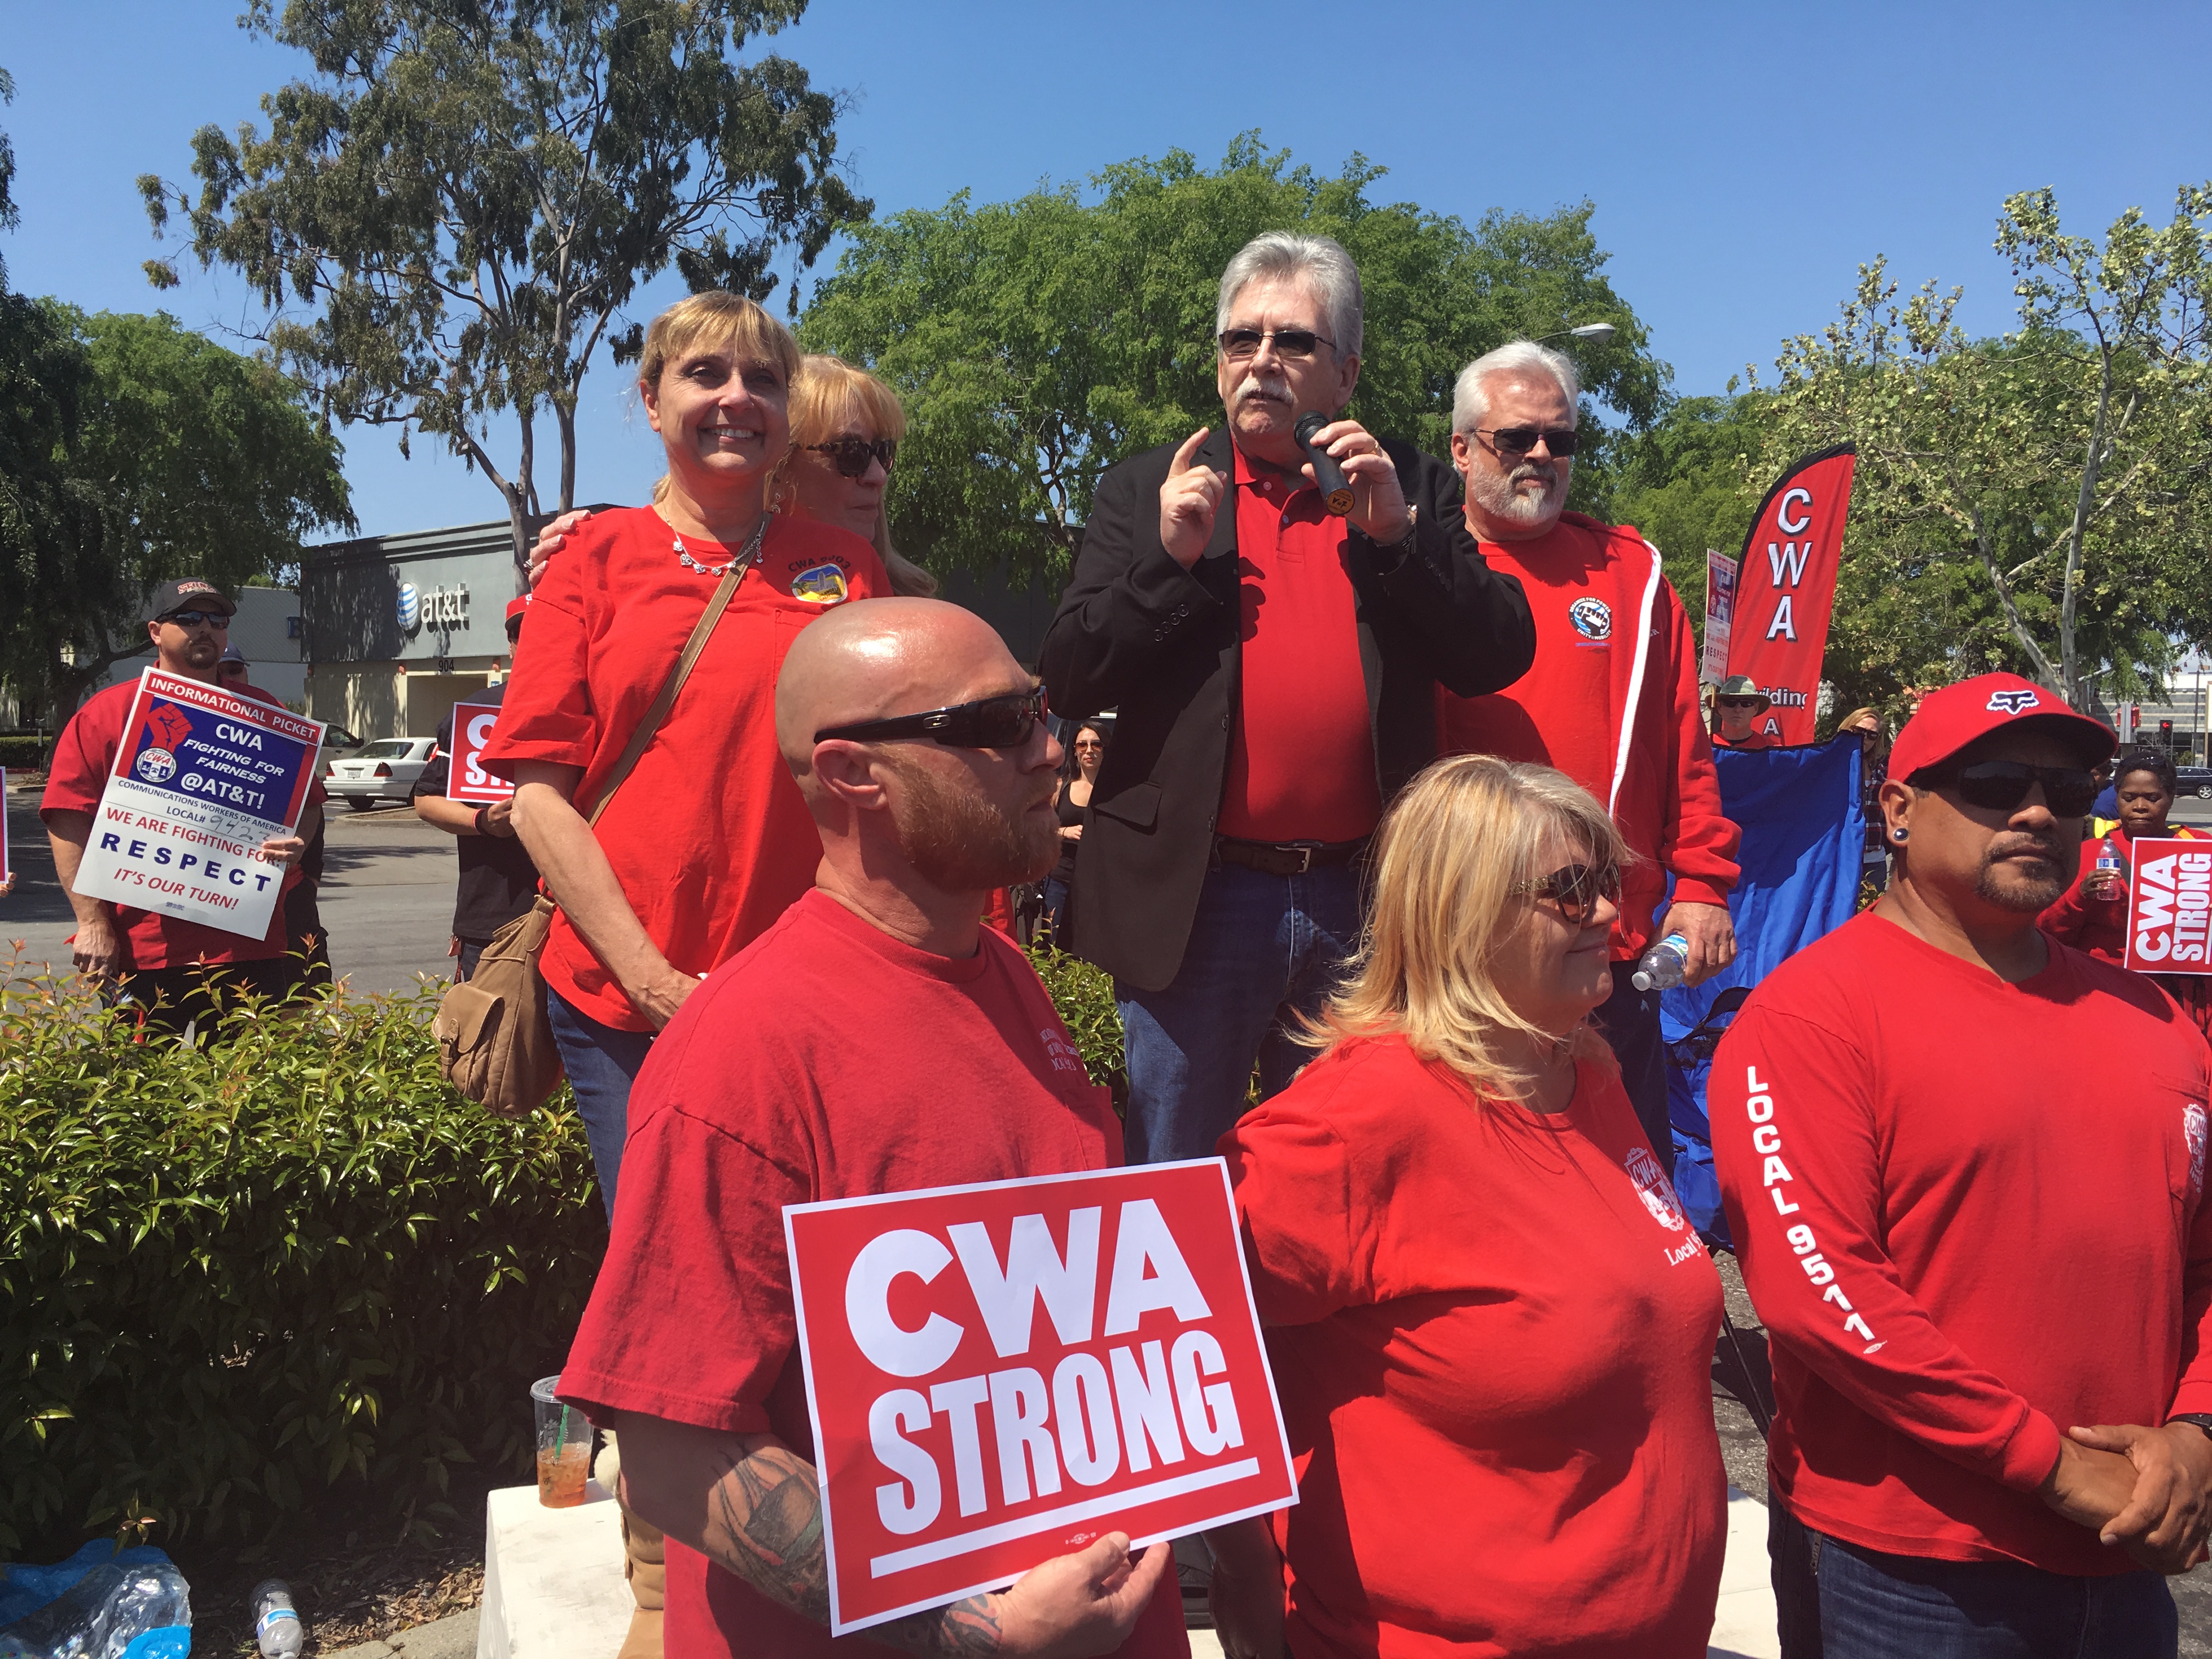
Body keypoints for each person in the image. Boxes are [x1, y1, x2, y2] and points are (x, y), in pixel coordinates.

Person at [555, 597, 1183, 1659]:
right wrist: (974, 1628)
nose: (1049, 750)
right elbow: (668, 1452)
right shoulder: (742, 1054)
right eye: (997, 725)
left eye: (1043, 709)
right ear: (853, 775)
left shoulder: (1011, 977)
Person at [1709, 673, 2212, 1657]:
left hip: (2131, 1541)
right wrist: (2053, 1465)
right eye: (1990, 781)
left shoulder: (2153, 1018)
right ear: (1896, 809)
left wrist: (2197, 1429)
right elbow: (1825, 1297)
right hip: (1906, 1568)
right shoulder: (1808, 1019)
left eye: (2070, 790)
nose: (2035, 810)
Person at [1206, 754, 1728, 1657]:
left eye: (1610, 879)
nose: (1609, 912)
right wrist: (1250, 1586)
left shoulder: (1582, 1067)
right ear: (1460, 909)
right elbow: (1181, 1360)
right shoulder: (1351, 1123)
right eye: (1570, 889)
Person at [1040, 231, 1537, 1166]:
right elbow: (1069, 672)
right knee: (1174, 1165)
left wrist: (1395, 539)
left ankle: (1300, 1321)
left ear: (1345, 374)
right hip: (1200, 901)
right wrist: (1167, 559)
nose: (1262, 360)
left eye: (1294, 342)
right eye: (1241, 339)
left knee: (1345, 1165)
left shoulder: (1413, 486)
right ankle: (1182, 1319)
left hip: (1361, 895)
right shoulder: (1146, 486)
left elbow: (1494, 654)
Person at [481, 292, 891, 1217]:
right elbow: (540, 801)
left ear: (788, 416)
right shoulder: (588, 560)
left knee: (821, 1264)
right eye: (706, 372)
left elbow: (881, 779)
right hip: (626, 1001)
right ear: (652, 400)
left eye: (764, 379)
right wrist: (658, 984)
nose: (737, 397)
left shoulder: (842, 565)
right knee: (677, 1265)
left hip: (809, 993)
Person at [1432, 340, 1740, 1158]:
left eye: (1560, 440)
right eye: (1516, 438)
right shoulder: (1416, 568)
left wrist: (1704, 883)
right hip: (1460, 954)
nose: (1541, 455)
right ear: (1461, 450)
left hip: (1605, 956)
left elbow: (1685, 746)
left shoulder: (1631, 575)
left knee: (1630, 1189)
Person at [40, 578, 320, 1037]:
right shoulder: (108, 713)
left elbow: (308, 804)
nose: (205, 629)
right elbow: (69, 817)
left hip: (248, 947)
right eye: (189, 619)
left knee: (250, 1098)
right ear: (155, 631)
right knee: (138, 1097)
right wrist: (92, 922)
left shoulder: (264, 713)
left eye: (217, 620)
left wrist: (298, 841)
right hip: (143, 950)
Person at [525, 353, 939, 599]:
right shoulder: (623, 570)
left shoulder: (908, 605)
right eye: (850, 454)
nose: (877, 477)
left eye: (883, 453)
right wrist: (571, 578)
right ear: (775, 465)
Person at [2040, 745, 2211, 1038]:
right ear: (2115, 798)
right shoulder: (2090, 853)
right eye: (2129, 798)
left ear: (2170, 799)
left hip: (2187, 1008)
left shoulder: (2198, 848)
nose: (2140, 806)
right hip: (2110, 1000)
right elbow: (2047, 934)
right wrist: (2079, 897)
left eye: (2152, 798)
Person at [411, 597, 543, 980]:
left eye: (547, 629)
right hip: (493, 921)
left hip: (581, 919)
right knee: (488, 1039)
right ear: (511, 643)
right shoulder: (477, 712)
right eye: (524, 632)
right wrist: (482, 820)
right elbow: (425, 800)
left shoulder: (598, 706)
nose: (535, 641)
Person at [219, 642, 334, 994]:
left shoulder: (270, 719)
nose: (227, 678)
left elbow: (312, 803)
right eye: (219, 671)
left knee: (290, 1015)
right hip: (203, 902)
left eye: (235, 669)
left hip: (283, 900)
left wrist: (308, 882)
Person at [1041, 721, 1105, 943]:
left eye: (1097, 745)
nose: (1089, 751)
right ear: (1075, 752)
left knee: (1091, 948)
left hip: (1100, 883)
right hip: (1060, 879)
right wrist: (1064, 832)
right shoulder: (1060, 788)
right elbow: (1038, 830)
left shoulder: (1118, 795)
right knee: (1054, 944)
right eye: (1082, 745)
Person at [1712, 673, 1780, 749]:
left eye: (1746, 703)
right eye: (1730, 702)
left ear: (1756, 708)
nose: (1738, 709)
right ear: (1719, 707)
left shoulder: (1772, 752)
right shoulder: (1704, 748)